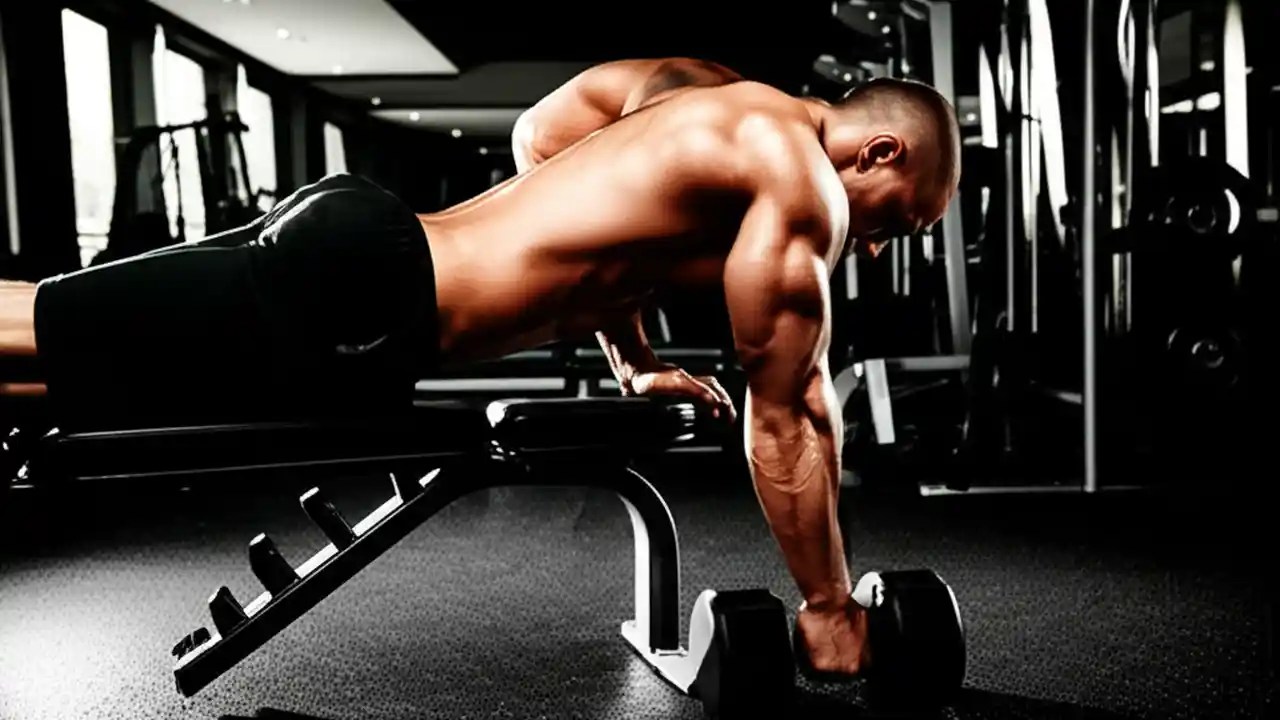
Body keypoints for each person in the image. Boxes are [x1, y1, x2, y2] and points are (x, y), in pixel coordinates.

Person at [0, 56, 961, 679]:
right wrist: (831, 610)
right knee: (28, 334)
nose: (873, 248)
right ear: (878, 150)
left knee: (55, 363)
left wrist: (633, 358)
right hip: (365, 306)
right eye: (898, 221)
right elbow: (789, 413)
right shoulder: (799, 187)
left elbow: (548, 140)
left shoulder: (700, 95)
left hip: (358, 249)